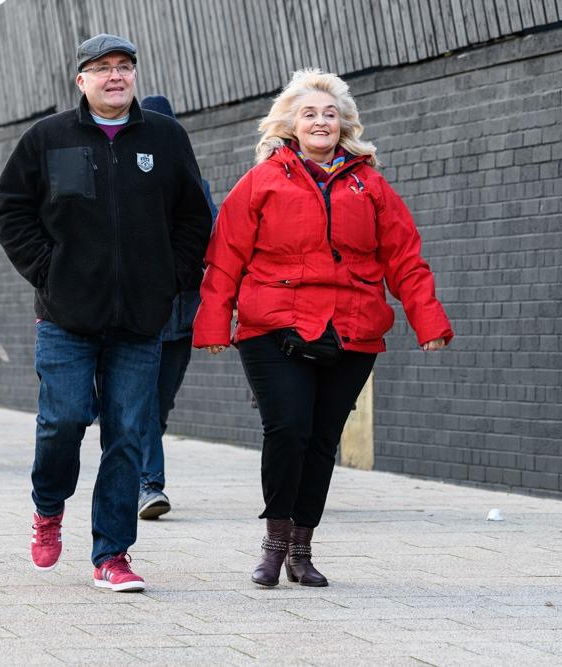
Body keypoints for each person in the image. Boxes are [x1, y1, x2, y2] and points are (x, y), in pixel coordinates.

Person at [193, 69, 453, 588]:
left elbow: (404, 256)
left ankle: (301, 547)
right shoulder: (261, 181)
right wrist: (214, 325)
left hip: (352, 330)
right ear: (290, 123)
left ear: (344, 124)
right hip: (273, 326)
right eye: (309, 113)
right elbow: (225, 255)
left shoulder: (370, 184)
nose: (320, 121)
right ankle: (273, 541)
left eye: (329, 114)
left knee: (321, 439)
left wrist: (427, 318)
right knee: (288, 428)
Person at [0, 33, 211, 592]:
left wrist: (171, 280)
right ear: (81, 80)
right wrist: (50, 271)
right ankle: (48, 507)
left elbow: (194, 217)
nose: (116, 76)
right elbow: (10, 211)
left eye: (125, 67)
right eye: (103, 68)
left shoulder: (165, 138)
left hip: (140, 319)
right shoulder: (48, 138)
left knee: (127, 435)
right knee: (62, 421)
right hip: (66, 315)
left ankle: (111, 555)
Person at [135, 94, 217, 521]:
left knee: (161, 404)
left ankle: (135, 468)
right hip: (140, 313)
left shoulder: (193, 183)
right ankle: (150, 484)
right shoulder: (128, 176)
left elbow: (213, 238)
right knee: (145, 401)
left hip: (183, 314)